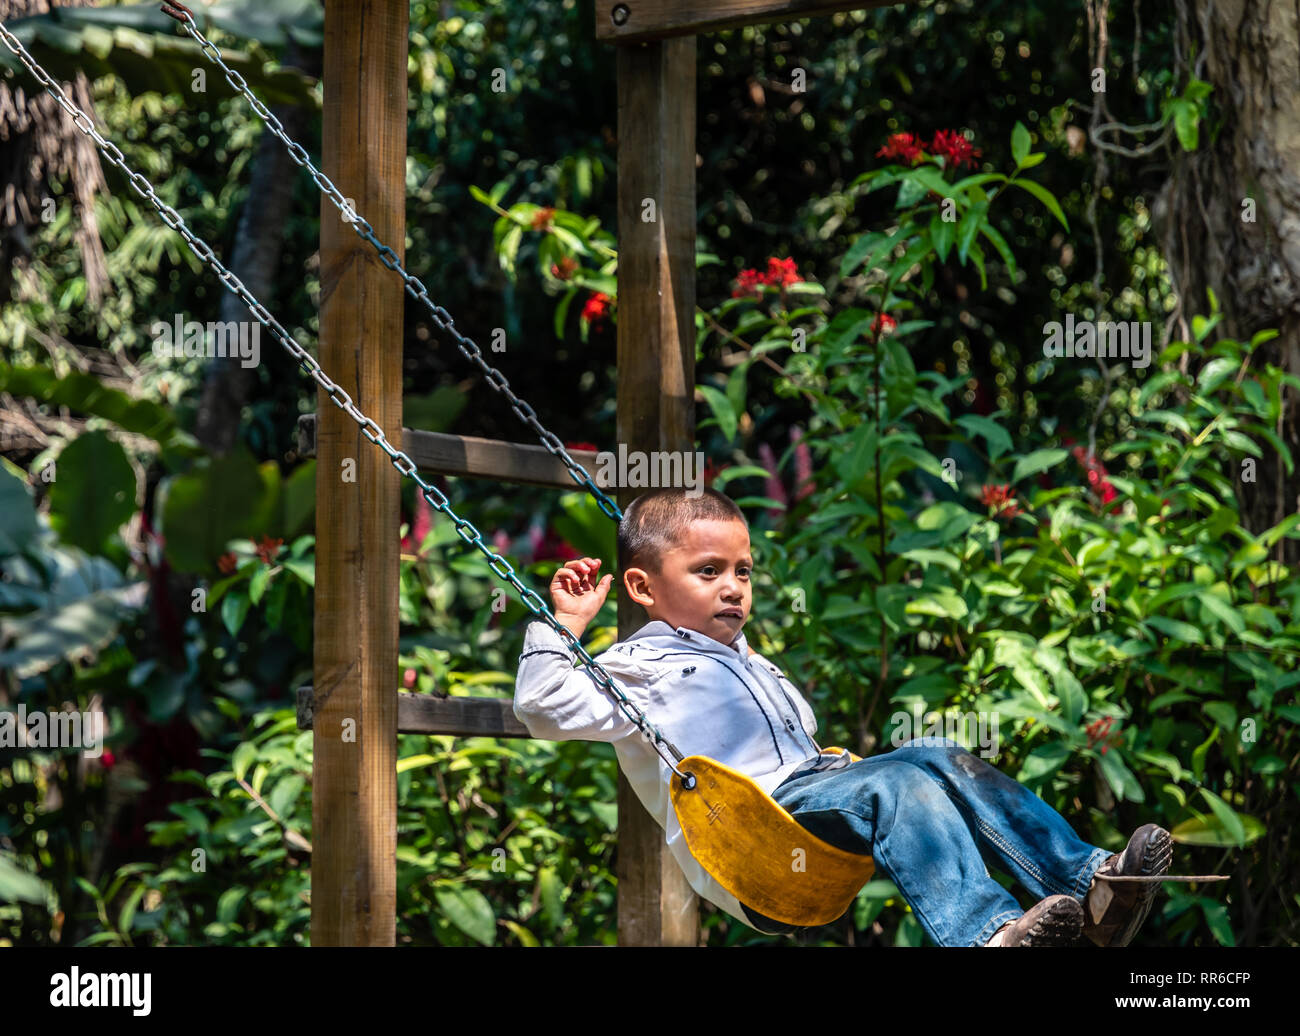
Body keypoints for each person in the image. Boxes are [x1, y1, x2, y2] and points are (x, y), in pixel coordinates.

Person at [512, 487, 1171, 946]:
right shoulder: (635, 667)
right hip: (753, 838)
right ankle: (988, 935)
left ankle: (1095, 888)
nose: (734, 586)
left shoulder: (755, 665)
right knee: (898, 782)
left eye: (743, 570)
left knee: (940, 755)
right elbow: (540, 709)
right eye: (708, 570)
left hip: (816, 807)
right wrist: (563, 626)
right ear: (642, 588)